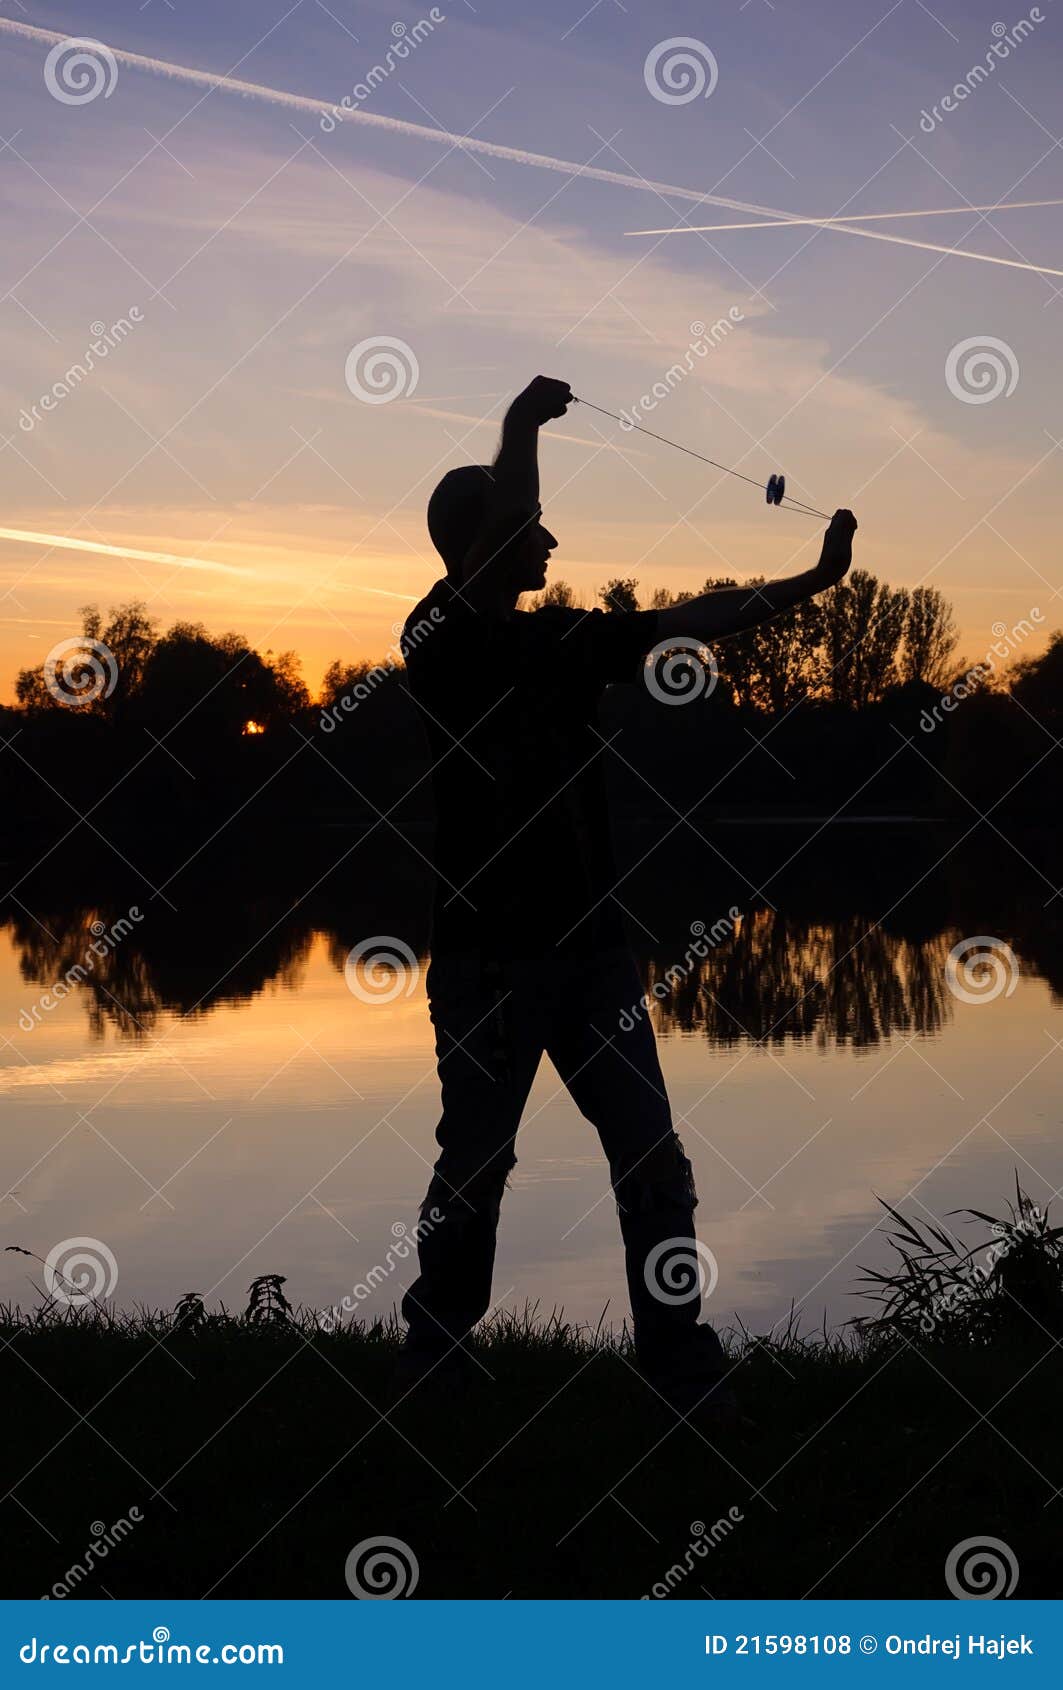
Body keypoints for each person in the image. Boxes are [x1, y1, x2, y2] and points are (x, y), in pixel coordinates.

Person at [399, 375, 857, 1423]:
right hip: (489, 961)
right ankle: (432, 1359)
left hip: (594, 952)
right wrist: (515, 423)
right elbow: (509, 521)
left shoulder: (559, 643)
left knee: (652, 1157)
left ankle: (680, 1367)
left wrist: (811, 582)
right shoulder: (438, 642)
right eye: (532, 531)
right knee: (476, 1164)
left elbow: (688, 618)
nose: (549, 544)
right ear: (483, 544)